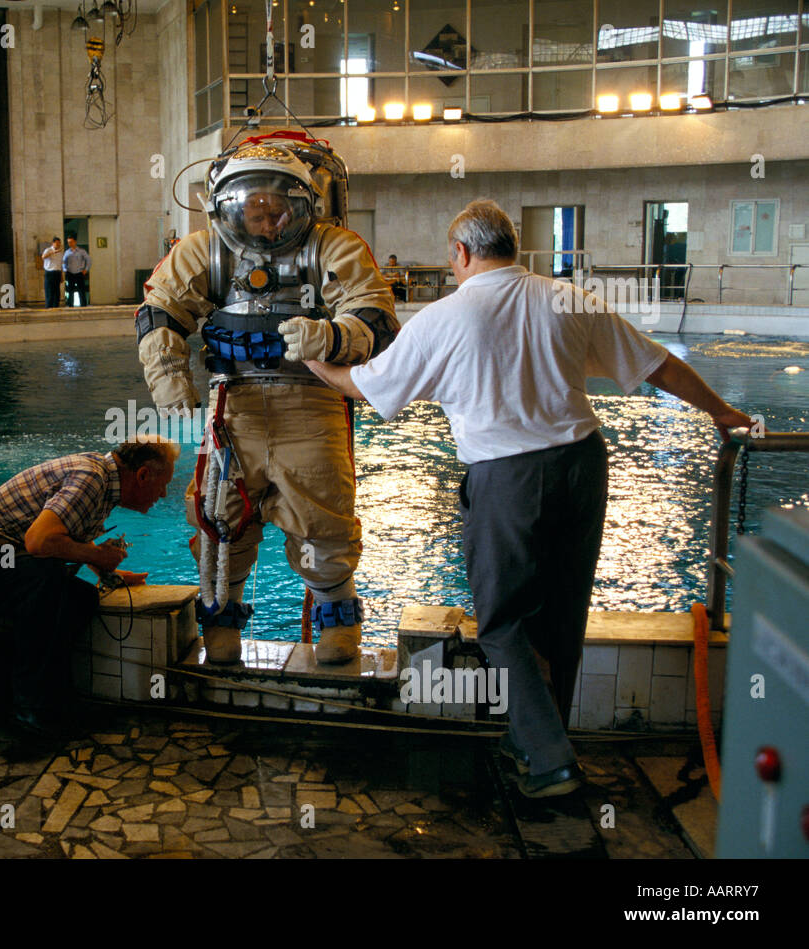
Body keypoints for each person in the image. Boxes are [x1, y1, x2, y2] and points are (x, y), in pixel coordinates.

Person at [306, 199, 750, 798]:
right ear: (512, 247)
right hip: (583, 464)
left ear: (461, 253)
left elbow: (364, 387)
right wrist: (720, 411)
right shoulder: (566, 299)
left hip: (508, 477)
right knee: (562, 615)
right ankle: (536, 738)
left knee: (503, 620)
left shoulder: (444, 317)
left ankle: (551, 761)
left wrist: (311, 360)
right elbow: (657, 364)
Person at [136, 137, 398, 665]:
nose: (268, 219)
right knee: (218, 517)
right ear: (227, 207)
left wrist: (332, 339)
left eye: (279, 208)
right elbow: (159, 311)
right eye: (253, 208)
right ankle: (222, 625)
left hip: (312, 404)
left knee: (324, 518)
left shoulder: (333, 246)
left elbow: (376, 313)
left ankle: (336, 626)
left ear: (303, 205)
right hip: (234, 409)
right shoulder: (204, 250)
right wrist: (168, 375)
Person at [0, 438, 178, 737]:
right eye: (163, 484)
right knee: (44, 576)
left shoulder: (101, 483)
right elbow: (38, 542)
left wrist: (107, 571)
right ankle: (31, 711)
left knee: (80, 598)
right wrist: (98, 555)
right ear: (142, 475)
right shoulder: (92, 477)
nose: (163, 495)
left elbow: (65, 536)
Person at [63, 236, 91, 307]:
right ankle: (70, 305)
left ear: (75, 242)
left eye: (71, 242)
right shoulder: (67, 252)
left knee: (81, 290)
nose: (70, 244)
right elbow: (63, 262)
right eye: (68, 242)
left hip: (79, 273)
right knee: (70, 291)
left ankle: (83, 305)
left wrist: (86, 269)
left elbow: (88, 260)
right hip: (70, 273)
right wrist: (65, 270)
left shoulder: (82, 251)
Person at [41, 237, 64, 308]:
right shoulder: (48, 250)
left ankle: (56, 308)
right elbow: (43, 257)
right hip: (49, 273)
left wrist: (61, 276)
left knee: (57, 292)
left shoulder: (61, 253)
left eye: (59, 243)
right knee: (49, 292)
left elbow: (61, 264)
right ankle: (48, 308)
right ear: (53, 243)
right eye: (57, 243)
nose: (58, 245)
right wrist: (52, 252)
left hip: (57, 273)